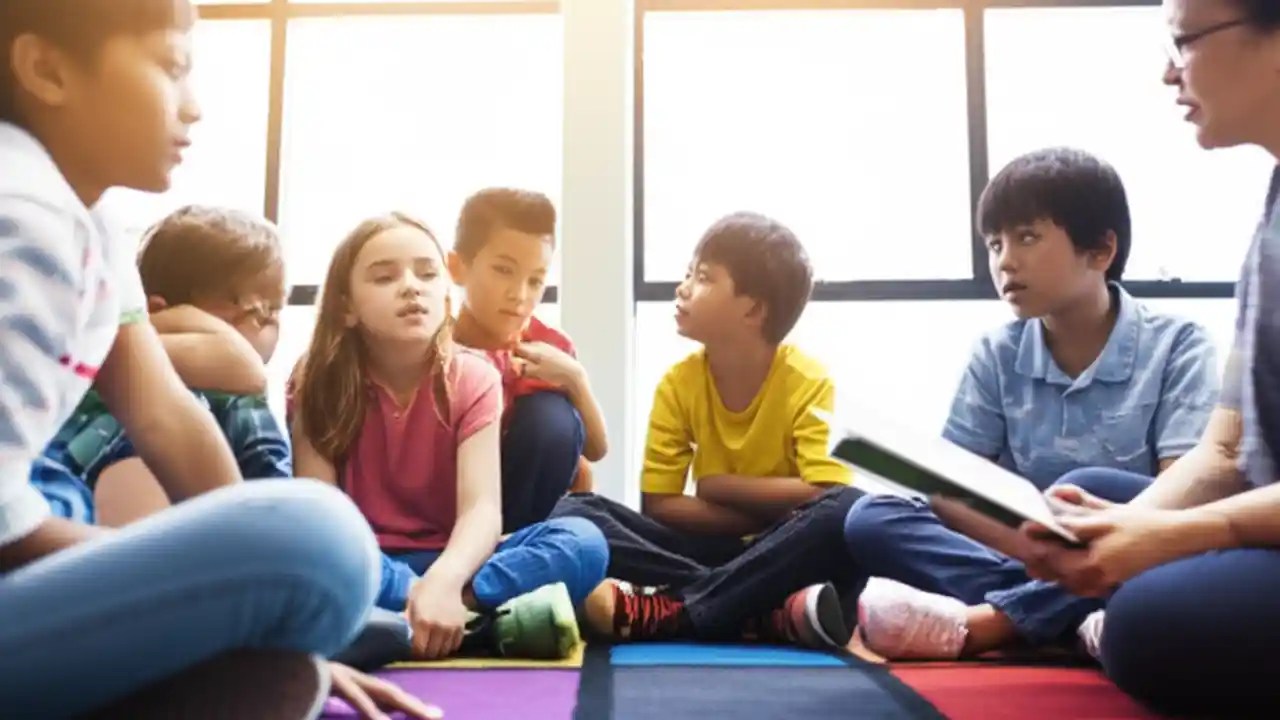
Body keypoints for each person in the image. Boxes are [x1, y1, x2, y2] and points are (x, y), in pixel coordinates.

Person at [0, 1, 435, 717]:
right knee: (320, 545)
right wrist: (241, 599)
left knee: (289, 613)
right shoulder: (26, 219)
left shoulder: (89, 222)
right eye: (172, 68)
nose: (195, 107)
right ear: (47, 69)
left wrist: (264, 619)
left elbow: (166, 414)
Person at [958, 1, 1280, 715]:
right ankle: (1063, 604)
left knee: (1145, 624)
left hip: (1254, 527)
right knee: (1082, 494)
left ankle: (1020, 615)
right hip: (1253, 518)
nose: (1170, 71)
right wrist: (1126, 536)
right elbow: (1226, 448)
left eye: (1184, 42)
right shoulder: (1270, 212)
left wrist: (1170, 537)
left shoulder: (1175, 340)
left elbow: (1218, 492)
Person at [842, 147, 1219, 662]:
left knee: (1095, 489)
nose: (1004, 262)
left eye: (1026, 237)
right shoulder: (996, 353)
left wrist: (1095, 538)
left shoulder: (1179, 345)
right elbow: (954, 490)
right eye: (994, 244)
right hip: (1031, 549)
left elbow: (1182, 492)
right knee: (872, 515)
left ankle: (998, 620)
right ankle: (1069, 618)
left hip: (1133, 539)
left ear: (1100, 249)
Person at [290, 212, 608, 661]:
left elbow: (481, 508)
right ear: (346, 306)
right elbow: (320, 511)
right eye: (384, 277)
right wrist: (416, 587)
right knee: (308, 550)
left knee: (584, 541)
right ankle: (473, 625)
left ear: (445, 293)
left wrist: (444, 582)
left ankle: (419, 621)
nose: (410, 286)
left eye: (426, 273)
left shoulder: (473, 377)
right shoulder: (315, 378)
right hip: (363, 560)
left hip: (458, 563)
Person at [554, 212, 865, 649]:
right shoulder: (678, 383)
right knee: (574, 512)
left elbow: (826, 495)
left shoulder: (808, 381)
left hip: (785, 552)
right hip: (715, 550)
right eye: (688, 274)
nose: (682, 288)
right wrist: (761, 511)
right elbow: (660, 505)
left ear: (753, 309)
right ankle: (758, 608)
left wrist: (718, 486)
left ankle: (678, 610)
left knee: (850, 511)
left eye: (702, 277)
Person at [33, 205, 291, 526]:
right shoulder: (122, 369)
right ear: (158, 311)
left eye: (276, 309)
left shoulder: (241, 406)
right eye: (252, 310)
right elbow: (244, 368)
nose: (268, 322)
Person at [449, 187, 605, 531]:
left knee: (550, 415)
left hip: (524, 515)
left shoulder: (547, 349)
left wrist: (574, 378)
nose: (519, 295)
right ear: (458, 267)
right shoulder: (436, 346)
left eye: (536, 280)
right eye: (503, 270)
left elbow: (596, 448)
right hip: (450, 506)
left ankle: (512, 549)